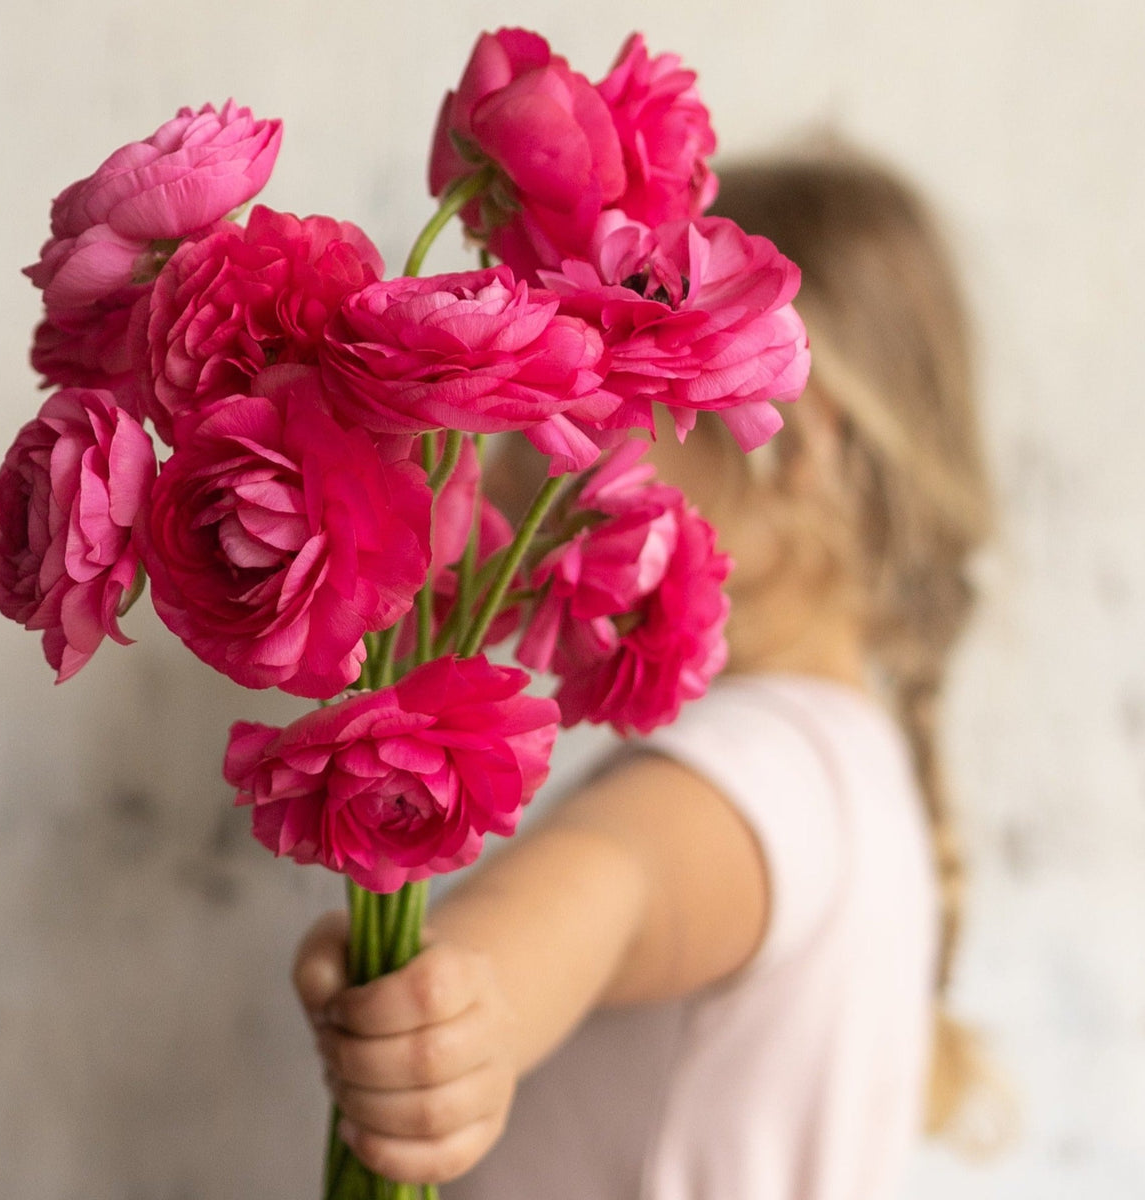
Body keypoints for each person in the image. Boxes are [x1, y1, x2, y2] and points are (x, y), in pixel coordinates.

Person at [292, 148, 999, 1198]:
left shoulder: (761, 767)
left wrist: (467, 990)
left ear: (789, 440)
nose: (575, 411)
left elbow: (617, 888)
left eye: (627, 366)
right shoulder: (851, 771)